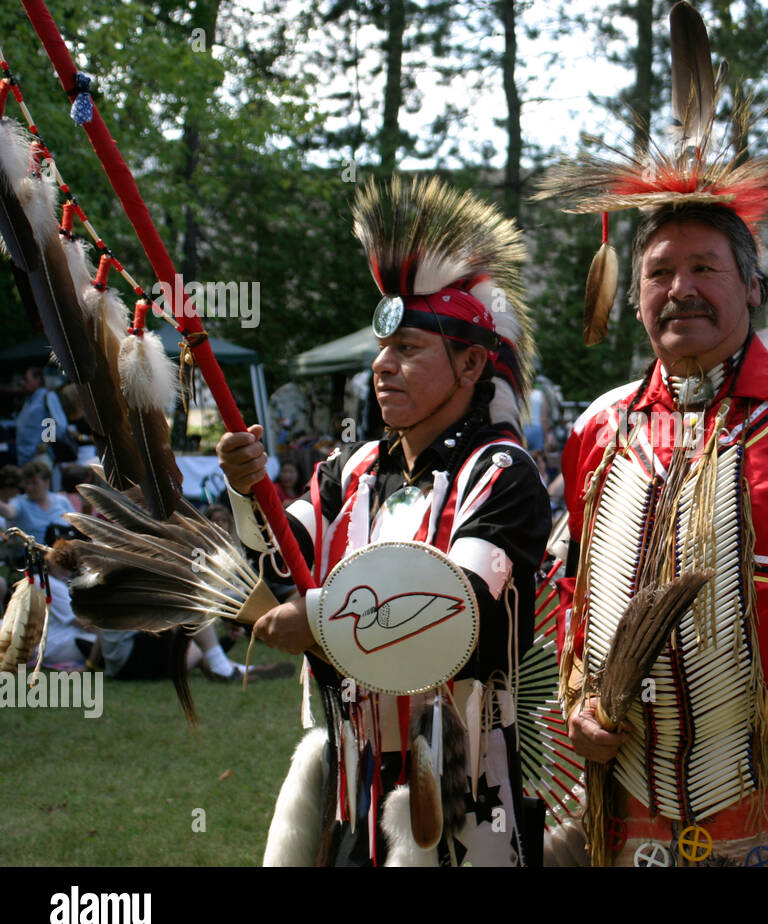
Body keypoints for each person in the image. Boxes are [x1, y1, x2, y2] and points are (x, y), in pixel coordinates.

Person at [216, 177, 549, 867]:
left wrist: (319, 618)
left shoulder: (503, 475)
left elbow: (456, 609)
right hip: (354, 779)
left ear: (471, 363)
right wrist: (248, 492)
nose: (382, 365)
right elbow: (280, 560)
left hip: (466, 785)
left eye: (408, 349)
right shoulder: (353, 468)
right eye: (382, 349)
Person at [0, 460, 72, 544]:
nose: (29, 487)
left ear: (47, 482)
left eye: (34, 483)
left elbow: (76, 525)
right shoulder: (19, 502)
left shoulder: (62, 500)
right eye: (27, 483)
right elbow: (9, 512)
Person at [14, 366, 68, 467]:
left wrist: (45, 445)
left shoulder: (48, 396)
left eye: (26, 380)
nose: (22, 383)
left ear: (38, 380)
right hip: (25, 458)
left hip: (40, 458)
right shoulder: (29, 399)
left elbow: (61, 426)